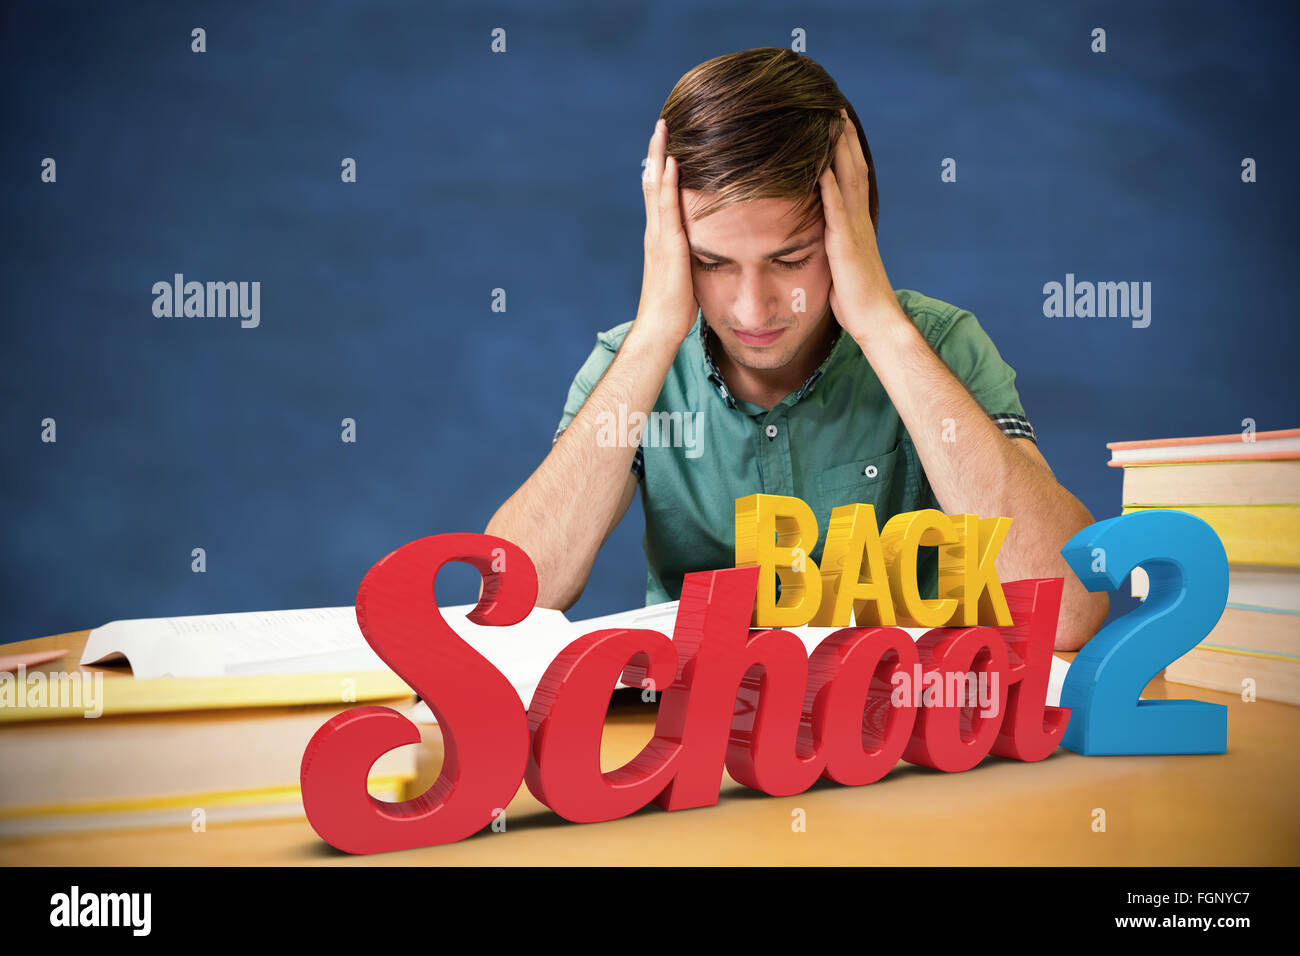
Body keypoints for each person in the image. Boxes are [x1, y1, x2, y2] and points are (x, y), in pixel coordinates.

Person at [487, 48, 1107, 651]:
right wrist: (653, 334)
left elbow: (1068, 611)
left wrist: (883, 329)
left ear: (853, 233)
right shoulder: (631, 366)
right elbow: (510, 602)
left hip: (913, 743)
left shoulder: (940, 344)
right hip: (702, 745)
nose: (753, 310)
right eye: (712, 262)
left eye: (791, 259)